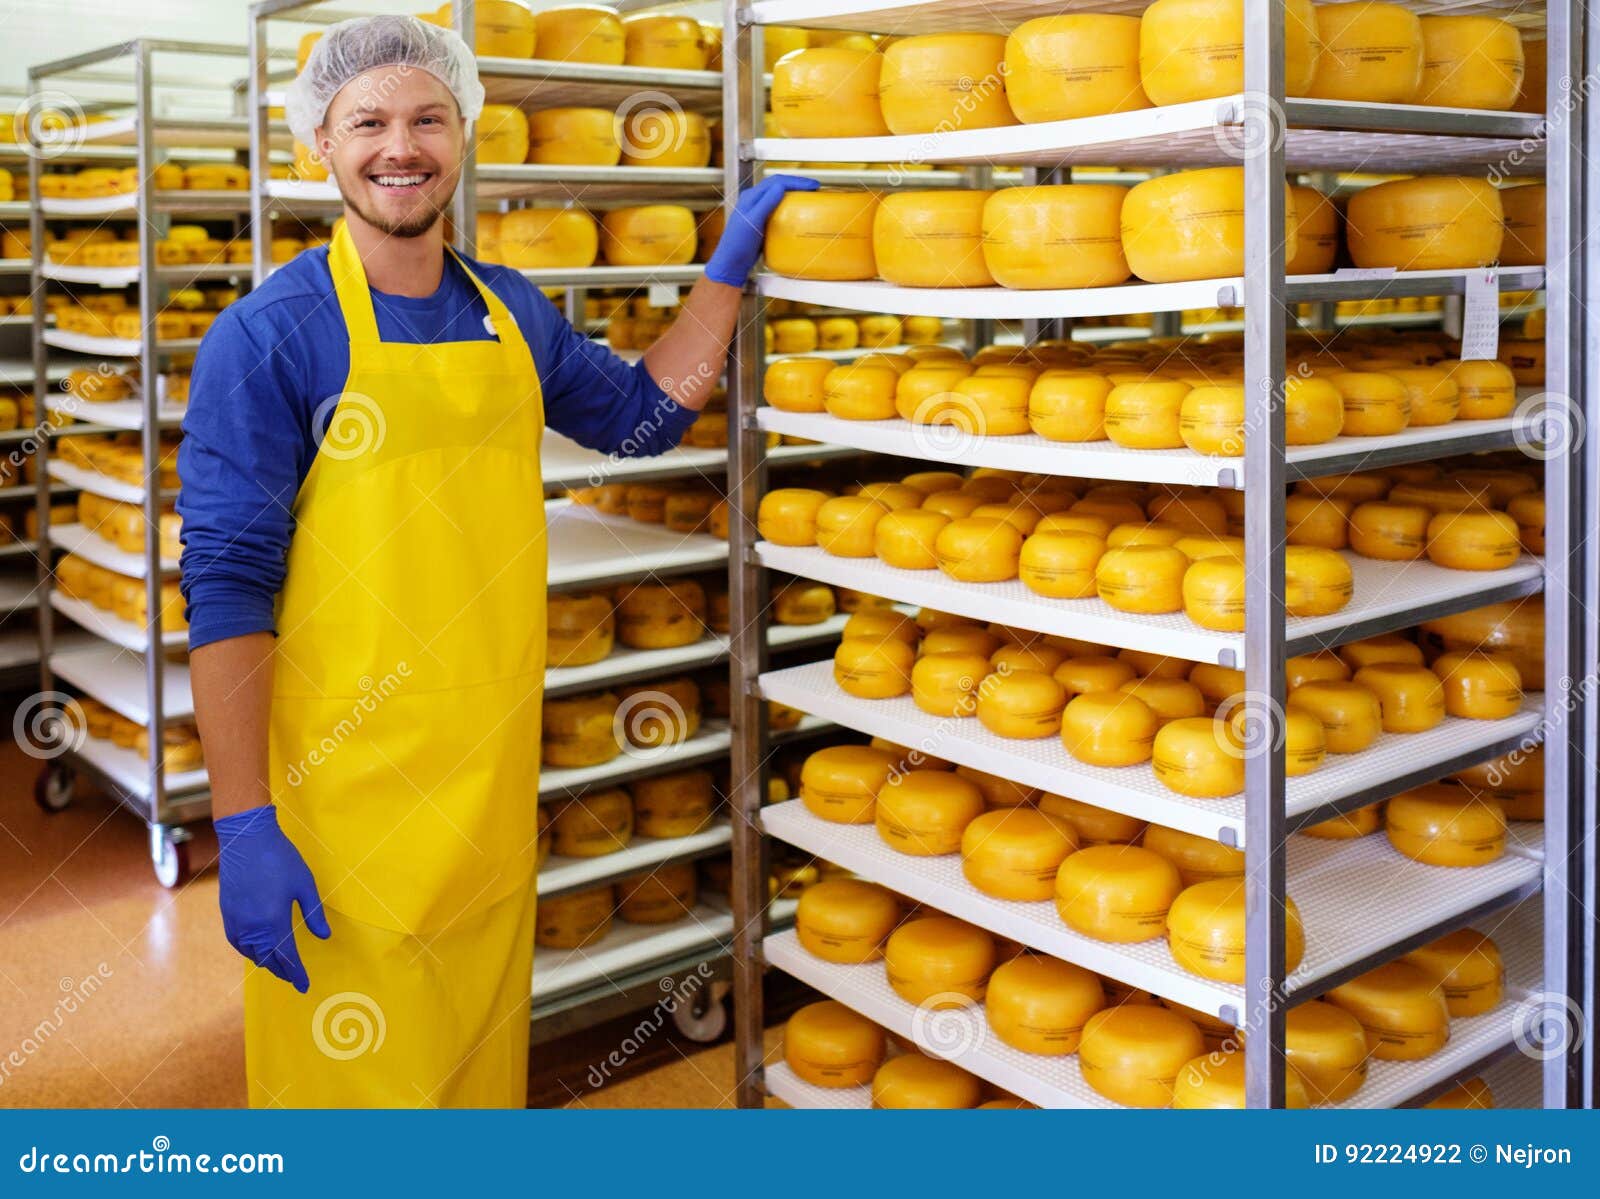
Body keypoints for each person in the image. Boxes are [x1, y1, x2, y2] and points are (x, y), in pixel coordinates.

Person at [176, 13, 814, 1108]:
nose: (401, 146)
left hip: (486, 790)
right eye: (366, 121)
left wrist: (723, 277)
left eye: (429, 117)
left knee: (476, 1087)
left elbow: (638, 421)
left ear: (464, 133)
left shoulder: (509, 311)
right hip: (344, 812)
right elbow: (227, 587)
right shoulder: (271, 335)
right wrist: (241, 821)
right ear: (316, 143)